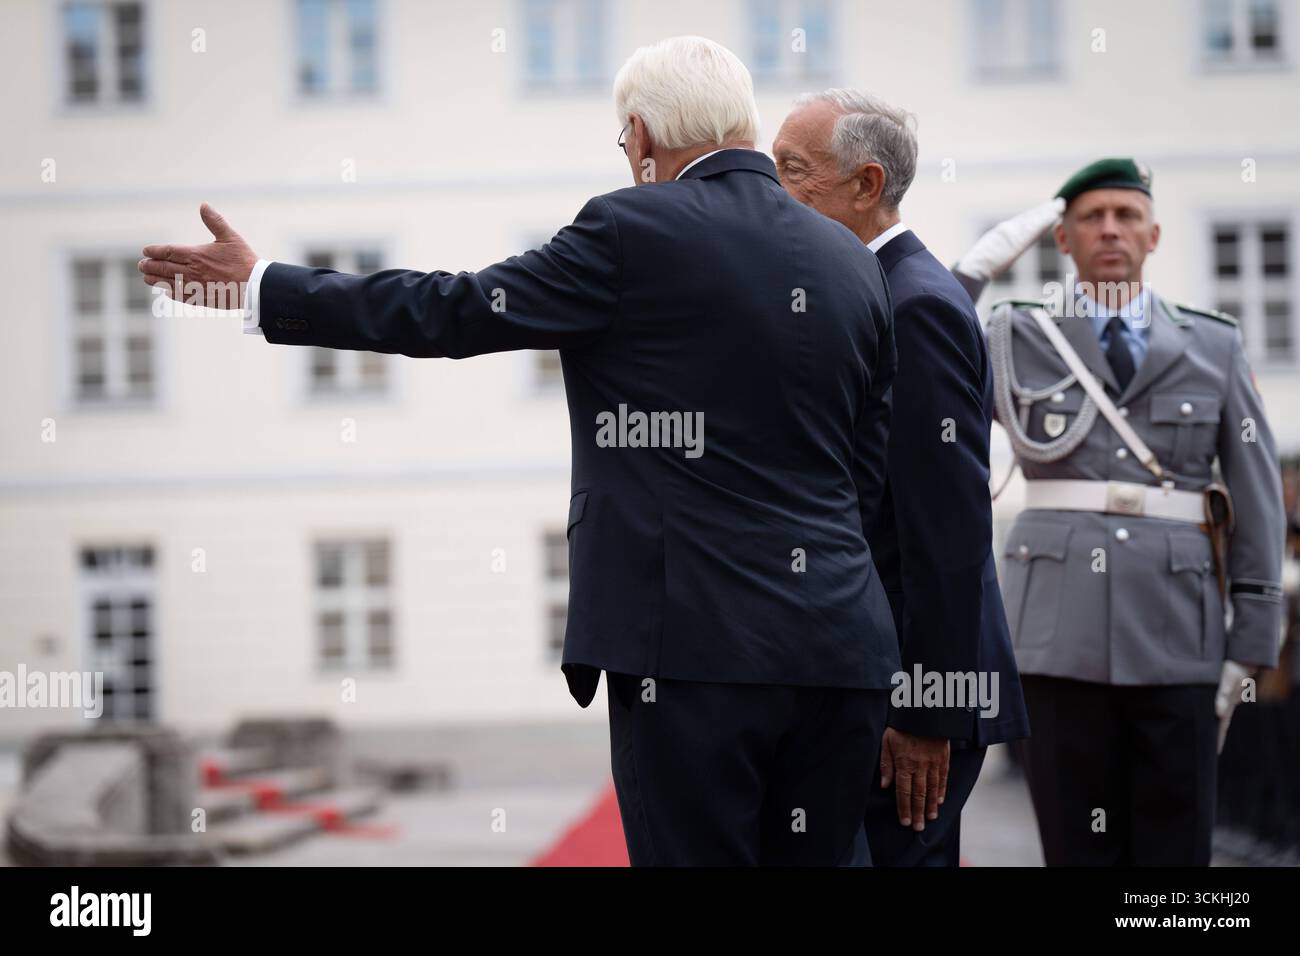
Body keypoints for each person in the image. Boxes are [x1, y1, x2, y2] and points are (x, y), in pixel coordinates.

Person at [138, 36, 902, 866]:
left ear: (641, 136)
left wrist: (262, 287)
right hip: (840, 649)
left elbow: (454, 310)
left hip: (689, 652)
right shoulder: (851, 261)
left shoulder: (630, 227)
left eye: (624, 142)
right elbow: (868, 476)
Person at [973, 158, 1286, 865]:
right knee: (1075, 842)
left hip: (1178, 628)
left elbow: (1257, 492)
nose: (1110, 230)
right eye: (1091, 217)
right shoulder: (1017, 334)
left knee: (1175, 851)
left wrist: (1253, 636)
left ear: (1154, 235)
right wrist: (967, 276)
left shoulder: (1214, 343)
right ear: (1063, 237)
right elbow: (928, 361)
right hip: (1057, 631)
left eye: (1126, 216)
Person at [773, 89, 1029, 866]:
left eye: (791, 169)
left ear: (866, 185)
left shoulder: (911, 304)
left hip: (913, 699)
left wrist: (926, 709)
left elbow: (947, 529)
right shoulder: (877, 289)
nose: (772, 189)